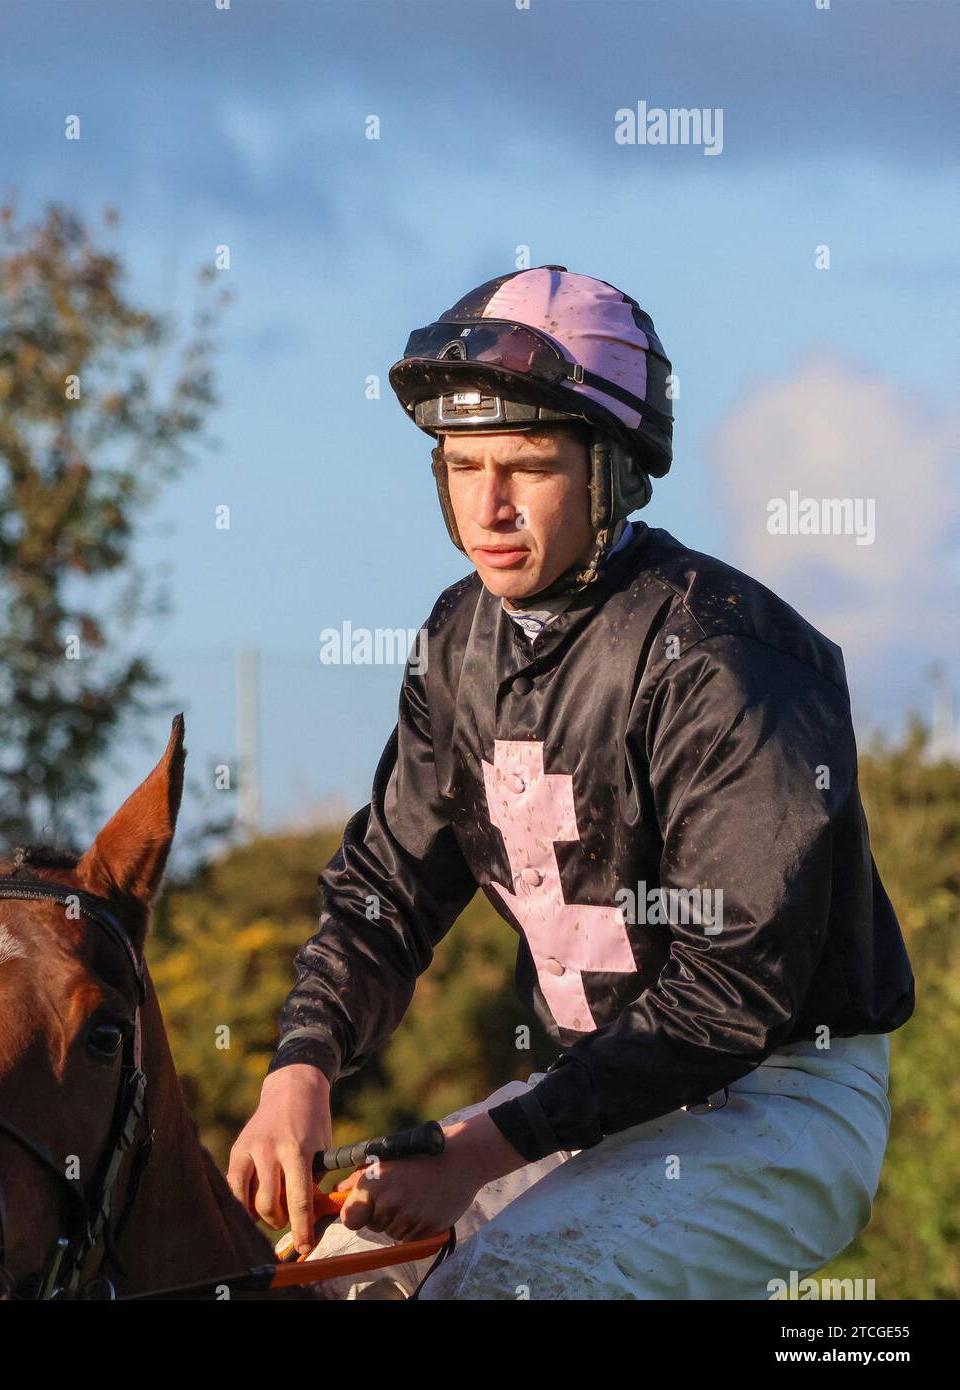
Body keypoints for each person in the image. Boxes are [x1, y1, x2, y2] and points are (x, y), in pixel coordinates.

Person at [227, 265, 915, 1299]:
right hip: (586, 1101)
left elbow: (728, 992)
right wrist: (301, 1063)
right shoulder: (455, 642)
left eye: (527, 466)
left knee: (514, 1285)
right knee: (333, 1283)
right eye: (461, 466)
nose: (487, 506)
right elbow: (384, 895)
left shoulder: (732, 658)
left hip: (777, 1104)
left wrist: (478, 1149)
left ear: (611, 473)